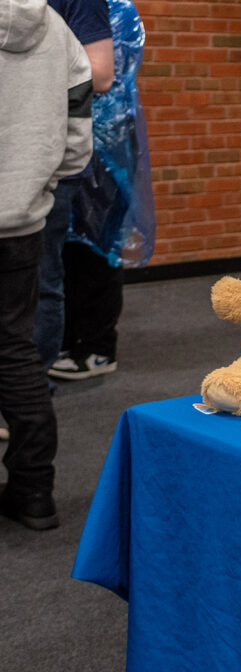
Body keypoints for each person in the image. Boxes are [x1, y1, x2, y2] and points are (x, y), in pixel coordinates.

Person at [0, 0, 94, 529]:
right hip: (22, 219)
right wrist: (43, 185)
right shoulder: (56, 27)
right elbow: (78, 133)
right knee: (15, 351)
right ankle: (34, 492)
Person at [51, 0, 154, 381]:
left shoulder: (96, 5)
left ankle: (95, 347)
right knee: (71, 246)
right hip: (88, 135)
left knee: (95, 246)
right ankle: (70, 339)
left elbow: (102, 76)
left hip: (103, 143)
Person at [33, 0, 112, 373]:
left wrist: (58, 173)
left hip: (48, 166)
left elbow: (100, 76)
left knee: (41, 279)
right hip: (40, 164)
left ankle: (28, 393)